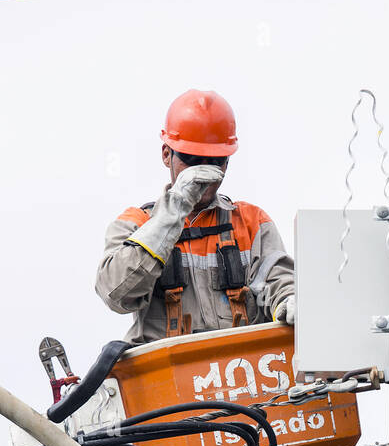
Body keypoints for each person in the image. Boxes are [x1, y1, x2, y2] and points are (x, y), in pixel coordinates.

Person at [95, 89, 295, 344]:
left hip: (244, 372)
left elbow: (278, 280)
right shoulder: (136, 224)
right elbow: (116, 293)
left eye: (213, 161)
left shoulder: (251, 223)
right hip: (166, 376)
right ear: (167, 155)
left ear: (227, 162)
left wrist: (288, 301)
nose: (202, 172)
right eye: (192, 160)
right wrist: (172, 213)